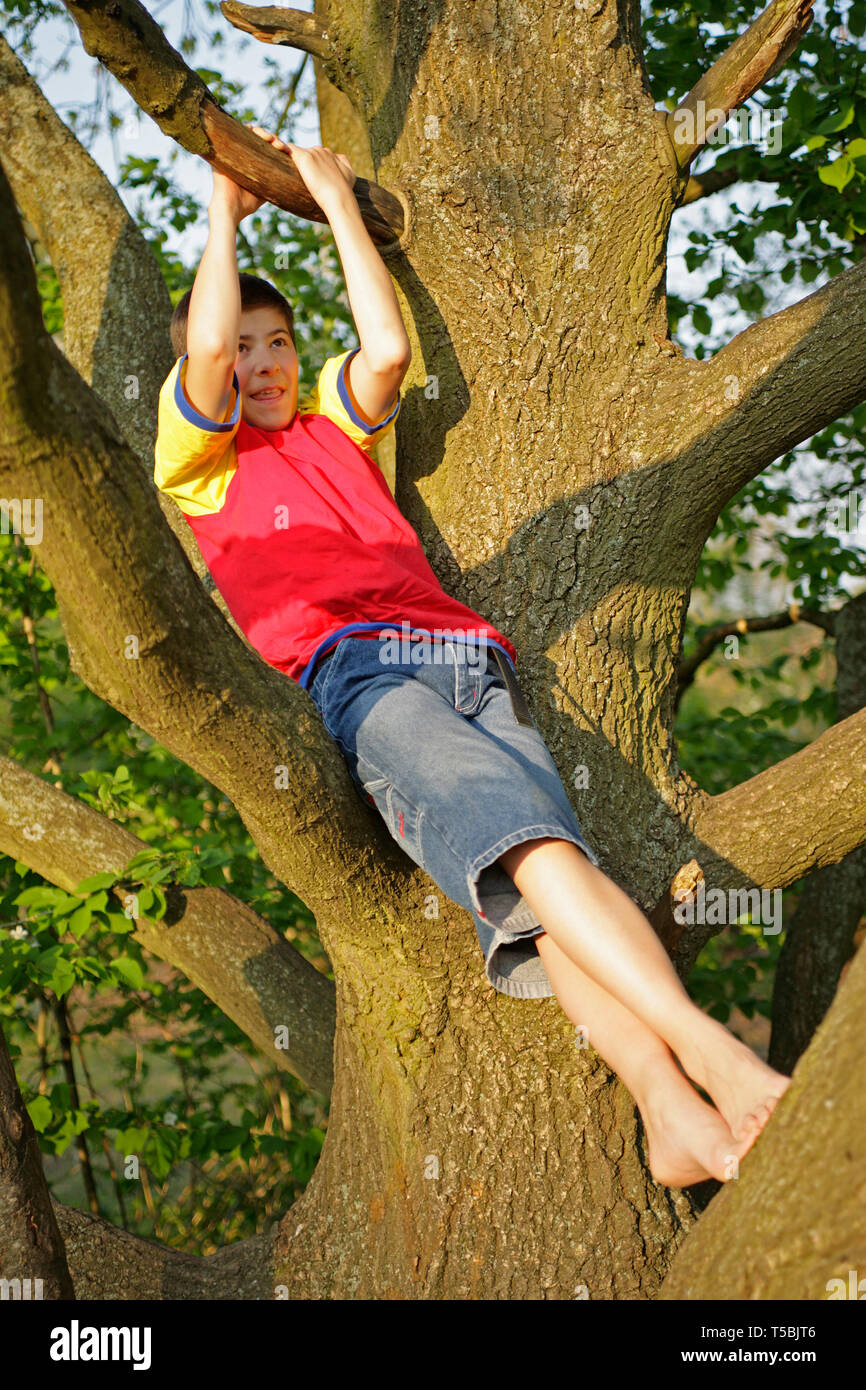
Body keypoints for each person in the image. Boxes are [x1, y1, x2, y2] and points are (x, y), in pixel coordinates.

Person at [154, 125, 790, 1189]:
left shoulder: (329, 433)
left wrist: (332, 199)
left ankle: (669, 1114)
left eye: (276, 343)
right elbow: (205, 353)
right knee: (538, 850)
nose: (258, 363)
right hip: (365, 678)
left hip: (467, 660)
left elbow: (387, 351)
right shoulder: (200, 465)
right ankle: (717, 1057)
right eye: (243, 348)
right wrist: (222, 211)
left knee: (552, 885)